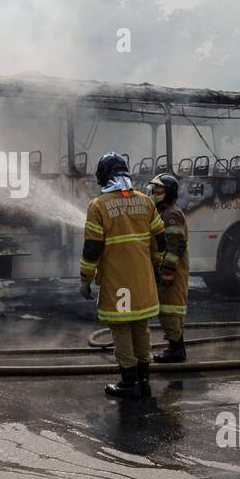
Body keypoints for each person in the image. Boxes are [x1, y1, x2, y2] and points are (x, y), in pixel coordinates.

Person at [80, 152, 170, 399]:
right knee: (141, 327)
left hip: (119, 283)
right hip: (143, 280)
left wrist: (85, 279)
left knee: (122, 329)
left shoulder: (98, 206)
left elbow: (92, 249)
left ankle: (128, 383)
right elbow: (160, 240)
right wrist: (157, 266)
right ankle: (144, 382)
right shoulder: (146, 202)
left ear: (104, 176)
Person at [147, 173, 189, 362]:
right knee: (167, 307)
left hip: (172, 269)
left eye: (159, 188)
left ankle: (176, 350)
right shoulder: (163, 211)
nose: (154, 191)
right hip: (167, 267)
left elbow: (176, 245)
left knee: (170, 308)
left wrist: (168, 271)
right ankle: (175, 345)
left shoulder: (171, 214)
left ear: (168, 192)